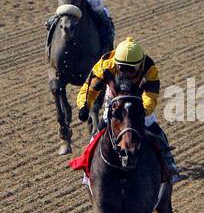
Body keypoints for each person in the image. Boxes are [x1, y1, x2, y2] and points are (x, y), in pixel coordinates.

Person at [76, 37, 181, 182]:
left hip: (138, 101)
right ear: (116, 64)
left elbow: (151, 94)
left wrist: (144, 110)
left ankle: (169, 163)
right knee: (97, 134)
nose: (125, 72)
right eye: (121, 68)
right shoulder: (106, 65)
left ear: (139, 65)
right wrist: (84, 106)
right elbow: (89, 89)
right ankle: (88, 172)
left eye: (130, 69)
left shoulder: (149, 67)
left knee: (152, 126)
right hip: (114, 99)